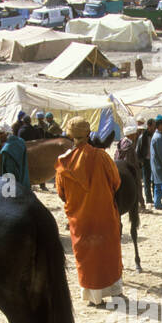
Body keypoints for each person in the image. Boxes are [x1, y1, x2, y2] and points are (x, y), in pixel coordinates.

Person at [56, 117, 123, 307]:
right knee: (108, 252)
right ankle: (115, 290)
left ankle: (94, 298)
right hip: (104, 215)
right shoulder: (101, 156)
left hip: (79, 218)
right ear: (88, 134)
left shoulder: (62, 162)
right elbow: (116, 182)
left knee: (86, 257)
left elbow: (61, 193)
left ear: (69, 135)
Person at [0, 125, 30, 192]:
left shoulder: (6, 150)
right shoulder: (21, 141)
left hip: (13, 188)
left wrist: (9, 191)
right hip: (24, 184)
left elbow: (10, 173)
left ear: (5, 134)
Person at [137, 117, 156, 209]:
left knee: (155, 180)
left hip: (154, 161)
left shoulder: (155, 135)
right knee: (147, 180)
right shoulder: (143, 137)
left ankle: (155, 199)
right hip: (146, 161)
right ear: (149, 126)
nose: (154, 128)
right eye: (153, 126)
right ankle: (149, 199)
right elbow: (139, 150)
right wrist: (141, 162)